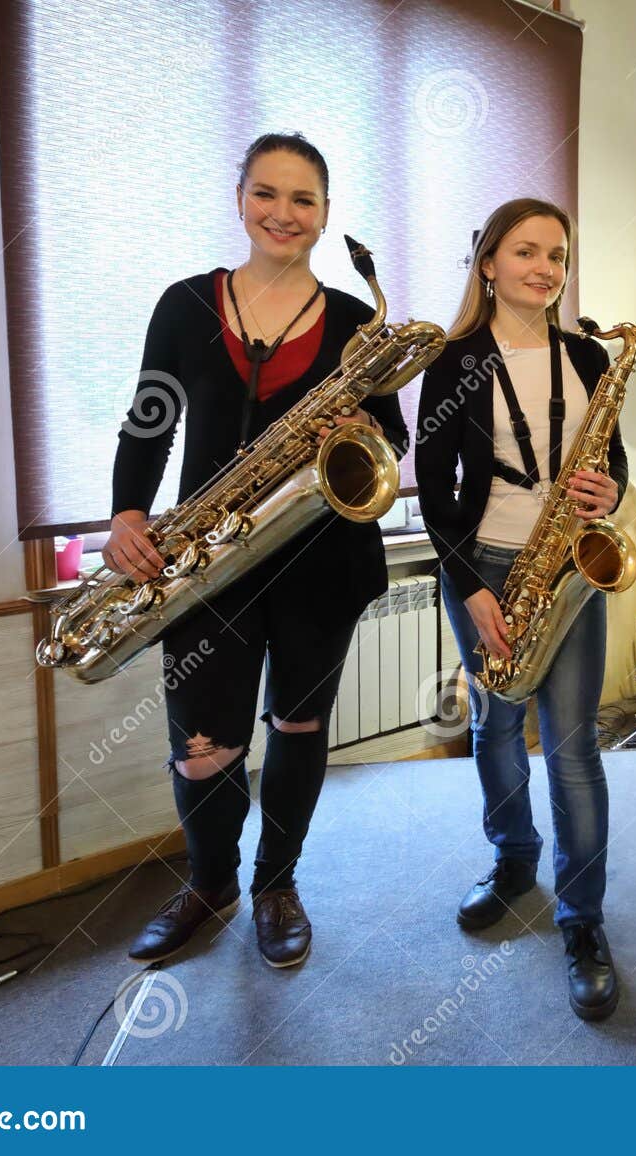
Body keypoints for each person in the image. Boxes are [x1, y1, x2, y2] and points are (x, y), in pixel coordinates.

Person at [107, 132, 407, 969]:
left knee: (299, 724)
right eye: (267, 193)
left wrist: (362, 426)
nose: (284, 213)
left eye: (303, 199)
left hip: (323, 560)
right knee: (205, 744)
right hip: (207, 563)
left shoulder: (355, 321)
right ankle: (210, 882)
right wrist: (128, 512)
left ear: (324, 216)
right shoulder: (184, 305)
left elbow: (393, 436)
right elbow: (149, 419)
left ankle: (277, 883)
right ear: (239, 199)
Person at [415, 198, 630, 1021]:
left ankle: (583, 918)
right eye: (528, 251)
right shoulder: (453, 359)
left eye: (558, 255)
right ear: (490, 262)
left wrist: (611, 487)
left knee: (574, 749)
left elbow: (611, 459)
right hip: (484, 566)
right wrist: (470, 587)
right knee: (494, 727)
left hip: (568, 564)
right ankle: (513, 860)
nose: (546, 268)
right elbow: (434, 493)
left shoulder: (587, 357)